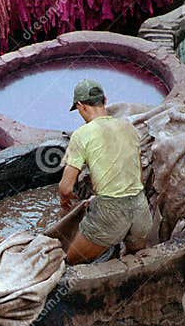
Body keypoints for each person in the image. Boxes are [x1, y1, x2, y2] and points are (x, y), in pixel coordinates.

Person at [58, 79, 153, 265]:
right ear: (105, 100)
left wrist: (65, 204)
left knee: (70, 263)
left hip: (110, 215)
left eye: (78, 109)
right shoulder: (129, 128)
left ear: (80, 106)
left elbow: (65, 187)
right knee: (134, 261)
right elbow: (137, 174)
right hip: (141, 211)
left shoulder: (82, 134)